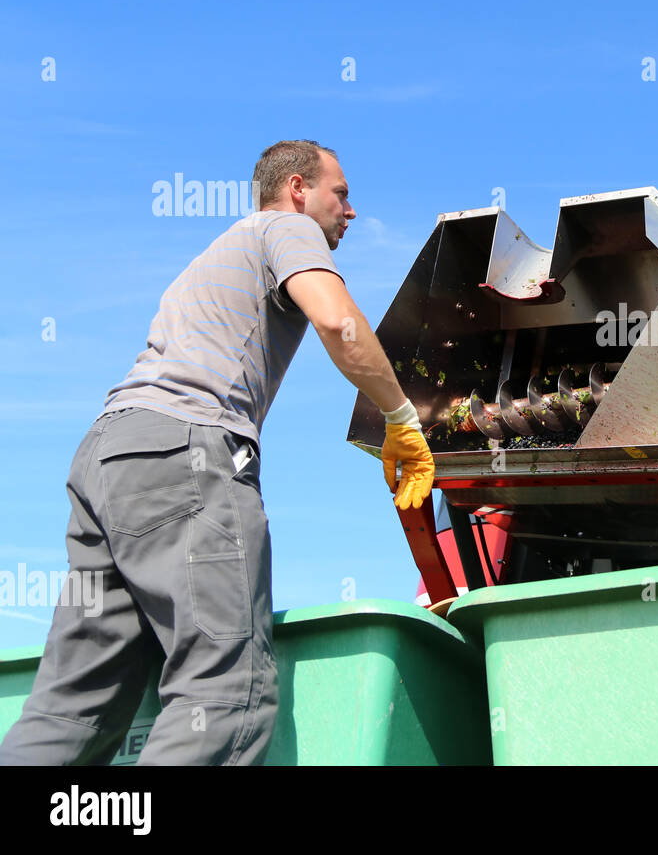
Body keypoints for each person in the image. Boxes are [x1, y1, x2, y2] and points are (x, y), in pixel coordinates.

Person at [0, 140, 435, 765]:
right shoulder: (286, 227)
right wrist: (401, 420)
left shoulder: (211, 259)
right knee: (228, 693)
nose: (352, 211)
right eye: (341, 194)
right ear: (296, 189)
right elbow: (338, 322)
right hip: (186, 453)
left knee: (74, 706)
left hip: (107, 456)